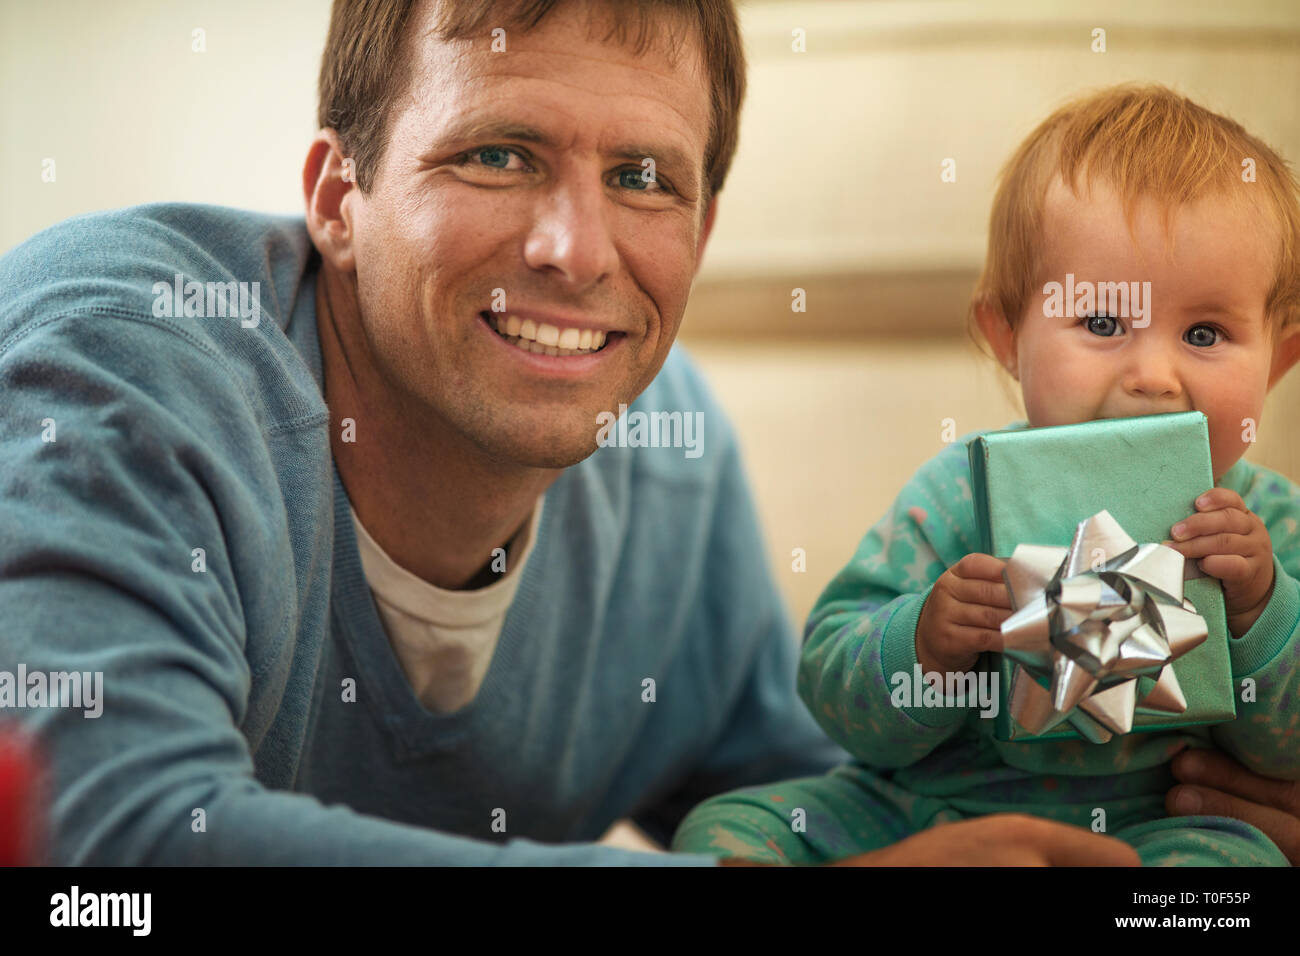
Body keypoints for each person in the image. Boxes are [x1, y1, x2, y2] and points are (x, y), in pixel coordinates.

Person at [0, 1, 1276, 867]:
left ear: (706, 236)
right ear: (342, 195)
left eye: (644, 178)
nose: (575, 249)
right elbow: (101, 845)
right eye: (497, 154)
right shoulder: (126, 354)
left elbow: (837, 800)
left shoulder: (672, 446)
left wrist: (1214, 793)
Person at [672, 85, 1300, 866]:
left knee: (1238, 870)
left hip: (1158, 821)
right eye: (1102, 323)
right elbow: (832, 690)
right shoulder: (956, 494)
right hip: (920, 811)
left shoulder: (1270, 525)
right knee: (727, 829)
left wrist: (1263, 610)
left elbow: (1288, 751)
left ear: (1277, 360)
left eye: (1204, 332)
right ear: (1007, 337)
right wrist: (923, 644)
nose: (1154, 376)